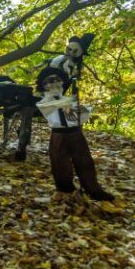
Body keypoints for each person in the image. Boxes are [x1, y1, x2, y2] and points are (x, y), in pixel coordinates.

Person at [35, 67, 114, 201]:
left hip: (75, 133)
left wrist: (76, 106)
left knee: (85, 161)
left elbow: (76, 117)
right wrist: (70, 103)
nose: (54, 84)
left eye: (57, 80)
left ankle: (92, 189)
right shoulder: (43, 103)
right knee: (60, 164)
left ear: (62, 82)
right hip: (58, 135)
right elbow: (52, 106)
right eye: (50, 81)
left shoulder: (69, 100)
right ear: (44, 86)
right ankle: (65, 190)